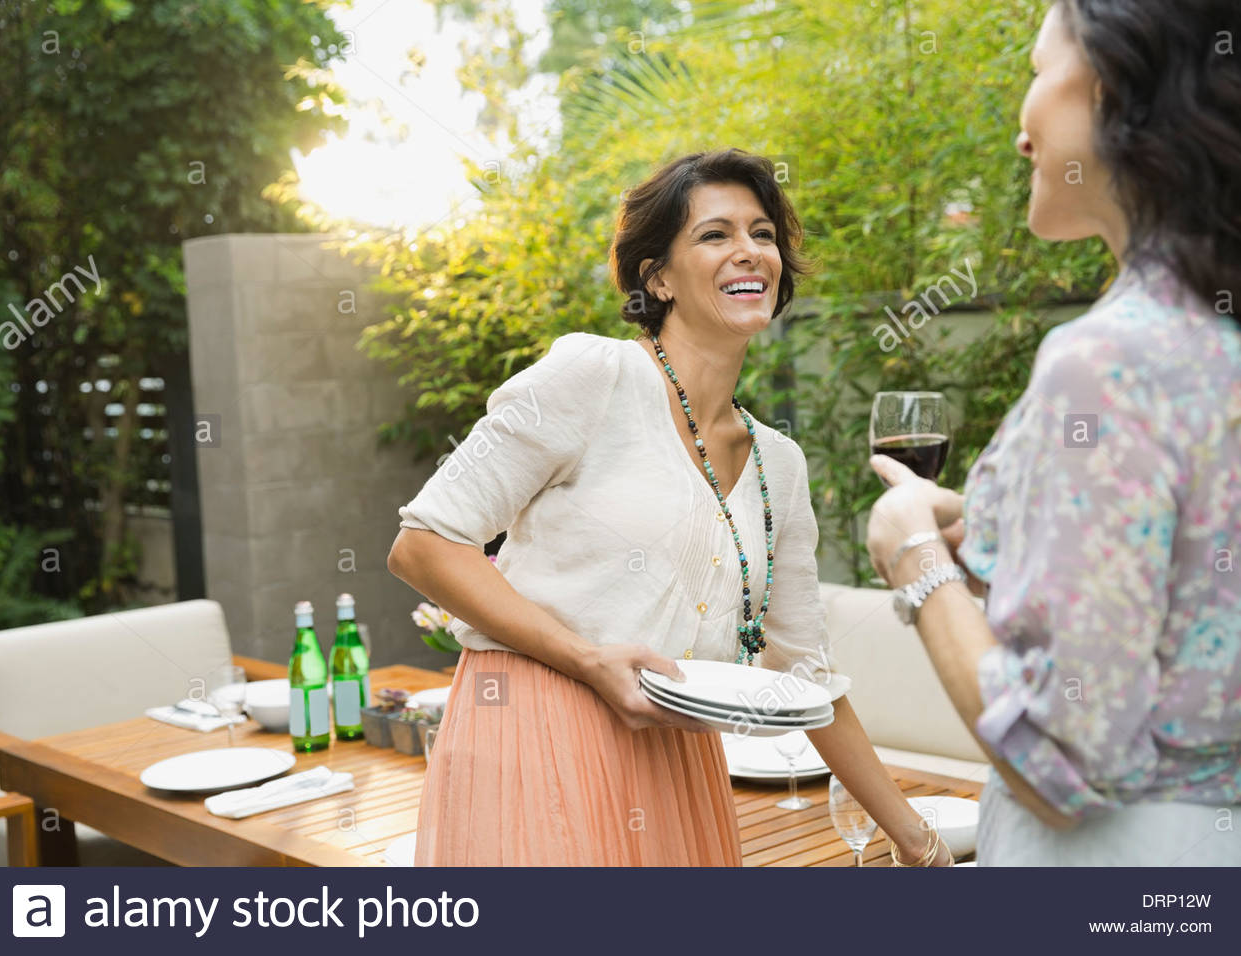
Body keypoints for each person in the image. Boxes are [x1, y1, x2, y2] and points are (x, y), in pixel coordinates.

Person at [389, 148, 951, 866]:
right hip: (535, 734)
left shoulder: (780, 463)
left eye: (763, 234)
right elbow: (424, 541)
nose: (749, 251)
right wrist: (589, 660)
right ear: (658, 276)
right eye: (715, 235)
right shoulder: (593, 375)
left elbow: (807, 672)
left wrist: (917, 840)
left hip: (674, 762)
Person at [865, 0, 1241, 865]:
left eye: (1039, 71)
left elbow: (1065, 756)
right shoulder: (1233, 335)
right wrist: (993, 531)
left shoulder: (1108, 358)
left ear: (1115, 81)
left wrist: (917, 561)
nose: (1021, 131)